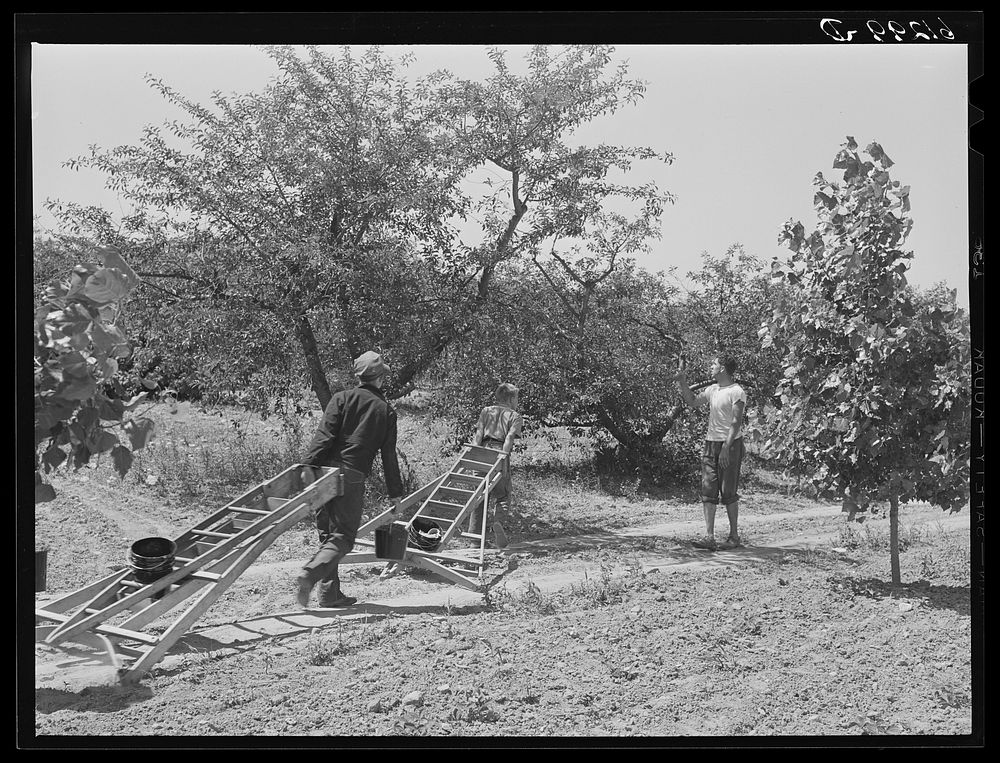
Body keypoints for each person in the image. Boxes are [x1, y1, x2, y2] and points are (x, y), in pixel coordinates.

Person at [295, 351, 404, 608]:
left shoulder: (340, 398)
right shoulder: (385, 411)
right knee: (342, 538)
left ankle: (330, 594)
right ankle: (310, 574)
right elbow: (389, 456)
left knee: (327, 535)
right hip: (351, 476)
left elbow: (323, 437)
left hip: (324, 473)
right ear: (380, 378)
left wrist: (307, 466)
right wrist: (395, 493)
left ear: (359, 376)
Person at [677, 354, 747, 551]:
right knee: (708, 491)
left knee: (728, 492)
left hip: (730, 445)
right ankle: (709, 537)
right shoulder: (713, 390)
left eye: (714, 364)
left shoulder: (737, 391)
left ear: (723, 368)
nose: (711, 367)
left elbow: (736, 422)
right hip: (710, 444)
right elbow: (692, 401)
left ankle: (734, 536)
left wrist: (726, 448)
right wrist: (683, 383)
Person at [469, 383, 523, 548]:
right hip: (499, 452)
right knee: (503, 495)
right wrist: (503, 456)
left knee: (479, 497)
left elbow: (478, 435)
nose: (517, 402)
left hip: (482, 452)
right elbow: (509, 438)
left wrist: (473, 455)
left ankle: (474, 540)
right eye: (517, 398)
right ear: (511, 398)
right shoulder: (514, 416)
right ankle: (497, 523)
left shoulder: (486, 411)